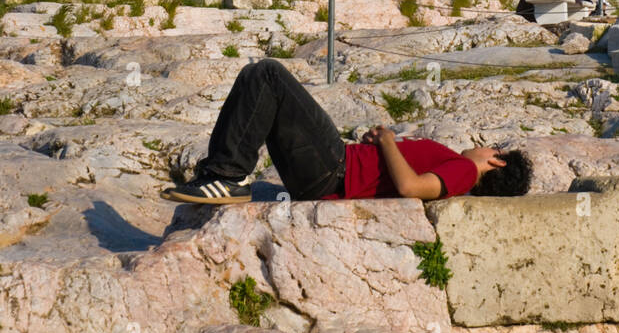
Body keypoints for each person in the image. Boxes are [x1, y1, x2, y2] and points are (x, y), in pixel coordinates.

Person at [161, 58, 533, 205]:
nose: (481, 146)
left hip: (334, 170)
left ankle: (224, 176)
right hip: (329, 172)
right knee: (260, 84)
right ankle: (219, 175)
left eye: (491, 148)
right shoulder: (459, 169)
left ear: (496, 163)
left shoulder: (466, 171)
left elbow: (410, 188)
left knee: (268, 75)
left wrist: (388, 141)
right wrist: (383, 146)